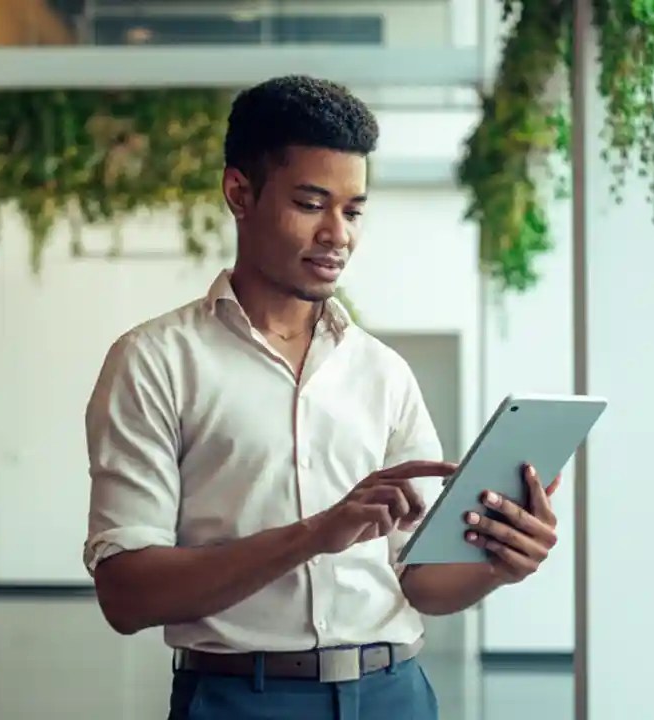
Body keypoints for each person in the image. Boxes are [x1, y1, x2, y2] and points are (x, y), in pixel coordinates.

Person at [82, 75, 561, 720]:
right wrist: (315, 534)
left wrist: (502, 564)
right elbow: (126, 595)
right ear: (239, 193)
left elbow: (418, 579)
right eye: (312, 204)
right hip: (237, 701)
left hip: (396, 694)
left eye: (354, 210)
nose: (339, 234)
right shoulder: (154, 362)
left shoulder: (384, 373)